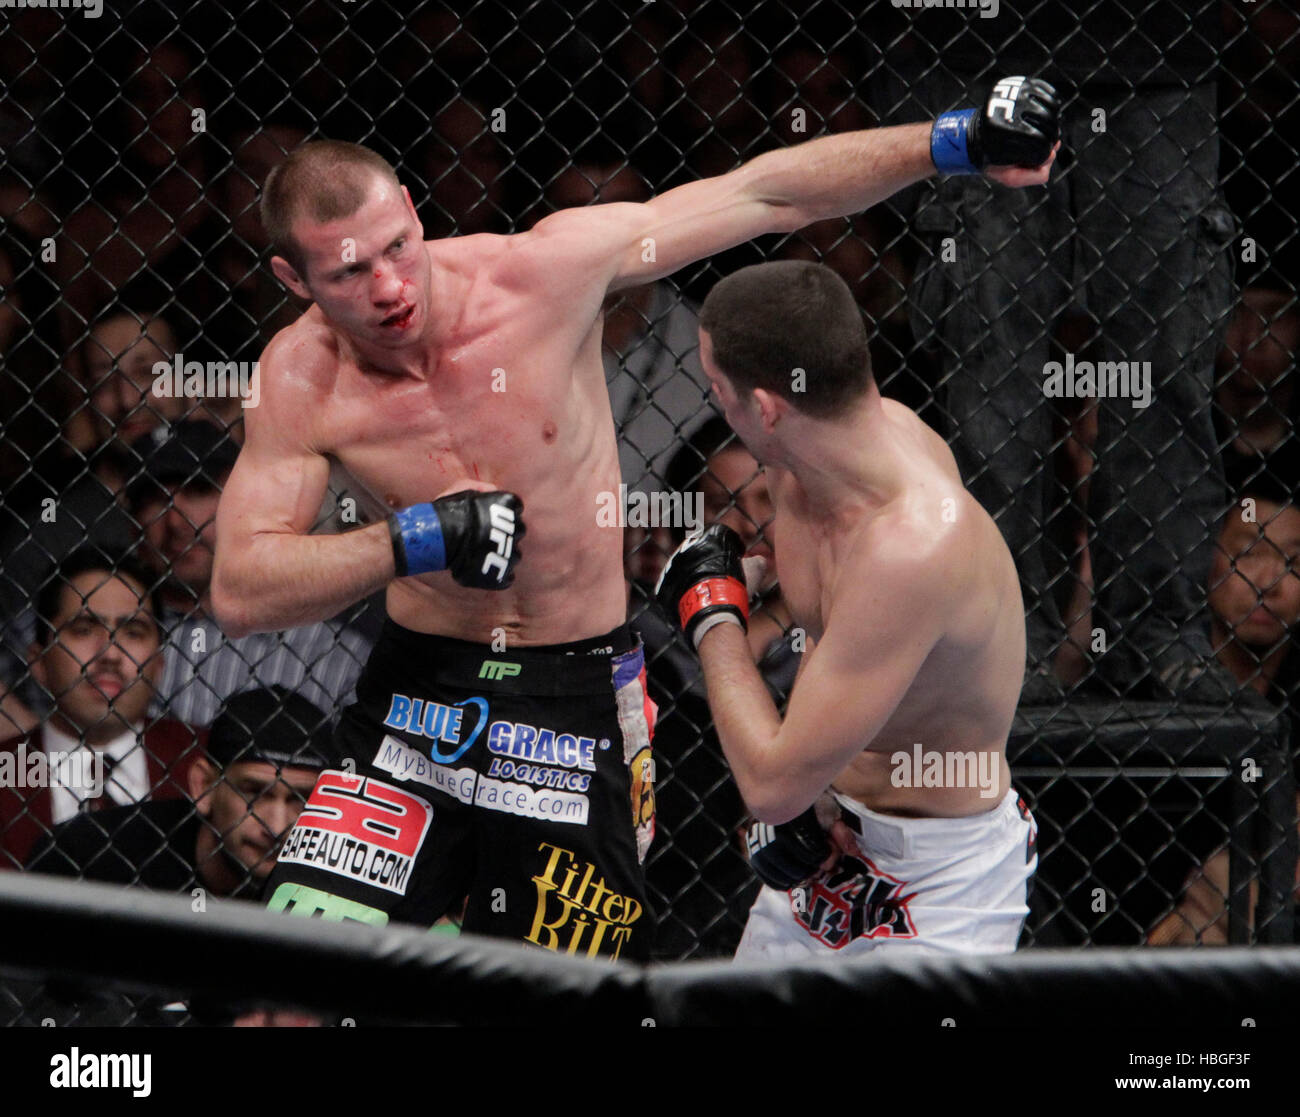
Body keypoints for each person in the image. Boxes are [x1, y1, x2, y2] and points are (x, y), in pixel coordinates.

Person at [215, 84, 1057, 959]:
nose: (390, 286)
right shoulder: (297, 378)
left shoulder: (543, 273)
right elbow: (241, 587)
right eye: (350, 272)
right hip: (415, 698)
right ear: (293, 278)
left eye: (397, 247)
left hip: (572, 697)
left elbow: (766, 193)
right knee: (293, 983)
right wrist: (409, 541)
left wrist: (952, 141)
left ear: (415, 215)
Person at [657, 260, 1038, 958]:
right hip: (828, 849)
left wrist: (711, 614)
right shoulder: (797, 467)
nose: (717, 406)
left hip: (940, 882)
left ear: (766, 406)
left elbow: (769, 783)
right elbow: (835, 649)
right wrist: (814, 794)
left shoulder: (912, 544)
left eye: (720, 389)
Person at [27, 686, 330, 899]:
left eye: (300, 799)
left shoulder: (334, 885)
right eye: (254, 793)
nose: (277, 827)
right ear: (204, 787)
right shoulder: (89, 859)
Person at [0, 547, 199, 869]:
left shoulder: (203, 764)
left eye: (133, 631)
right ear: (38, 661)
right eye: (83, 628)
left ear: (159, 664)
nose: (109, 653)